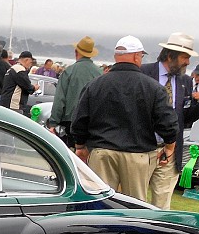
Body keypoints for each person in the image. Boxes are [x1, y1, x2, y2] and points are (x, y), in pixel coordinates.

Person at [70, 36, 178, 203]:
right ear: (136, 56)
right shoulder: (153, 87)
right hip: (137, 155)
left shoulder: (96, 84)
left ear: (116, 57)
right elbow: (167, 121)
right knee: (133, 205)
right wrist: (170, 145)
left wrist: (80, 145)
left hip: (102, 152)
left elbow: (80, 119)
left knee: (99, 203)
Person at [140, 32, 199, 209]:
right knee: (136, 202)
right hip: (141, 150)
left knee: (162, 206)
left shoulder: (185, 81)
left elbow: (183, 118)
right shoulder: (143, 73)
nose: (188, 62)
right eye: (184, 57)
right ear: (170, 55)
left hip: (170, 154)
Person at [47, 36, 102, 147]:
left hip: (70, 121)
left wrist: (53, 123)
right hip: (93, 122)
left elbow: (60, 99)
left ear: (76, 52)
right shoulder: (99, 73)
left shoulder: (69, 71)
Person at [1, 50, 36, 114]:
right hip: (14, 105)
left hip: (6, 102)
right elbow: (27, 86)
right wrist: (34, 88)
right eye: (31, 62)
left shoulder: (12, 68)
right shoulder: (20, 70)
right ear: (26, 60)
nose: (31, 65)